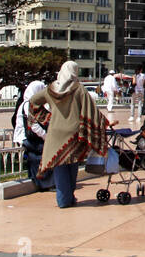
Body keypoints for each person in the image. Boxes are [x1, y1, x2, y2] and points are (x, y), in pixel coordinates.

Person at [27, 61, 109, 209]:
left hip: (55, 133)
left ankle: (64, 199)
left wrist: (47, 118)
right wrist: (105, 122)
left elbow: (33, 102)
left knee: (59, 166)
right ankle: (68, 198)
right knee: (72, 166)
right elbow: (91, 111)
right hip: (74, 134)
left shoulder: (51, 89)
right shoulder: (78, 89)